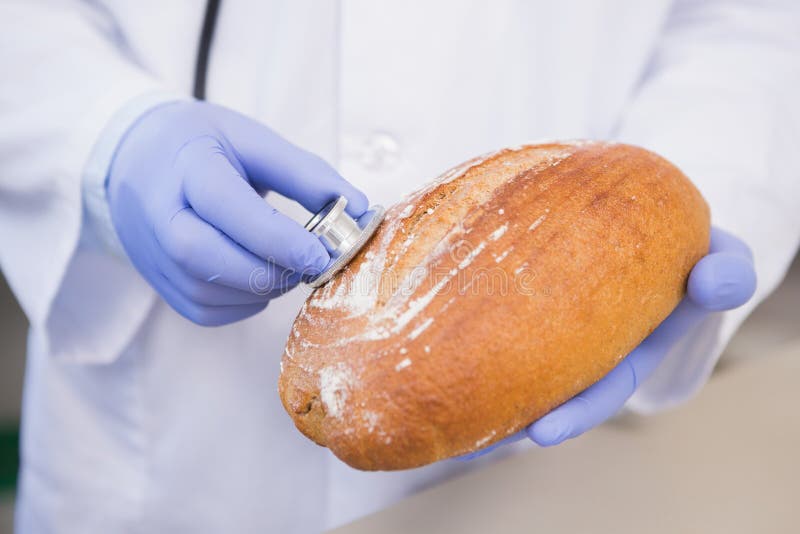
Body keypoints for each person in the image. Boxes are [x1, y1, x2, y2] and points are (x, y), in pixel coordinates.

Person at [0, 1, 798, 532]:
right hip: (171, 455)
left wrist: (678, 207)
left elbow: (750, 23)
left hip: (540, 464)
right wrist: (100, 139)